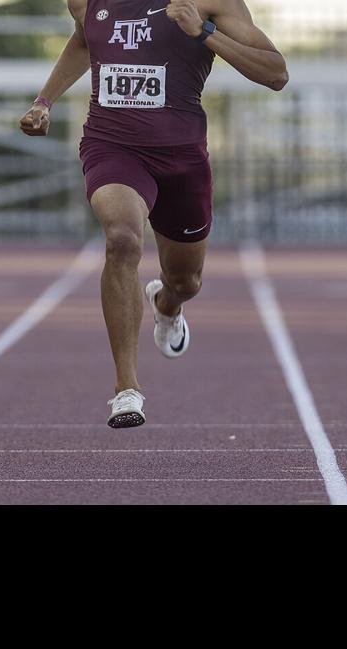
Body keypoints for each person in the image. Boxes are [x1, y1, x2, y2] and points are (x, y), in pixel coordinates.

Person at [20, 0, 287, 428]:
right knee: (122, 239)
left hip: (181, 158)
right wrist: (44, 101)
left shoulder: (209, 3)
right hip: (112, 146)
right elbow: (84, 40)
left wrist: (203, 33)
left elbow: (276, 73)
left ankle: (167, 304)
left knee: (186, 281)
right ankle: (127, 389)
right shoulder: (86, 2)